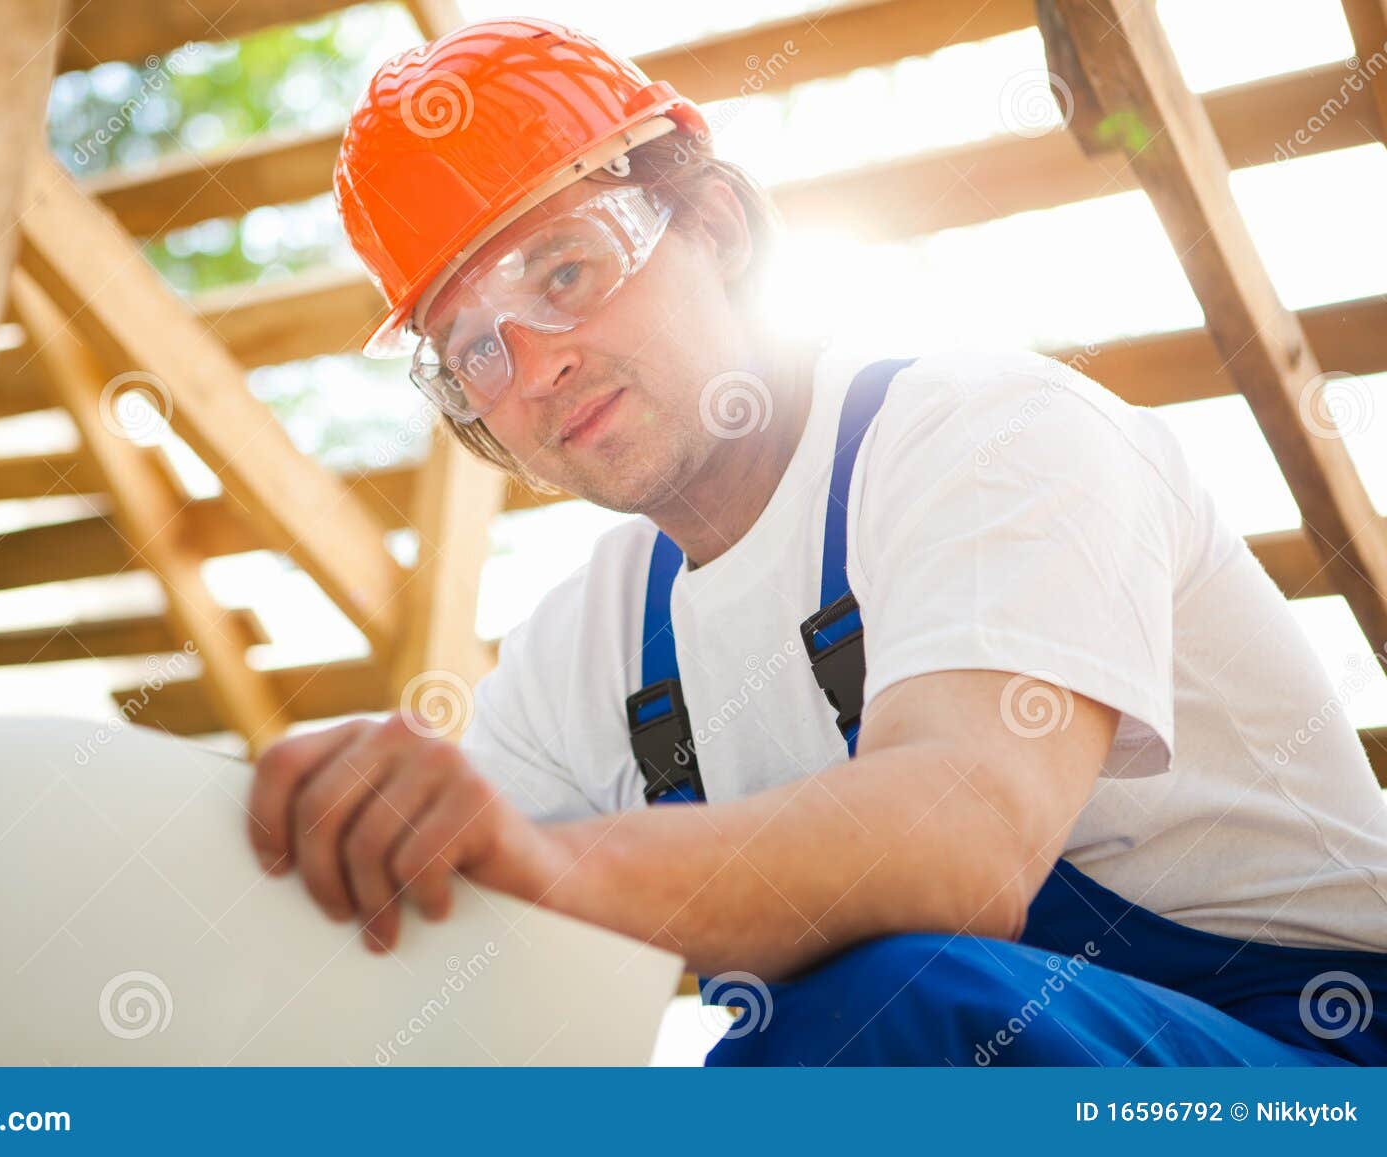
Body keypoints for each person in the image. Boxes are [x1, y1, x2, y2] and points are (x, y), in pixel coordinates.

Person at [245, 18, 1387, 1066]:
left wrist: (546, 866)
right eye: (477, 347)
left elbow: (967, 839)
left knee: (895, 1001)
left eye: (565, 273)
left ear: (715, 226)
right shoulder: (575, 659)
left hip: (1317, 1067)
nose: (536, 361)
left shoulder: (990, 436)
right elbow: (447, 969)